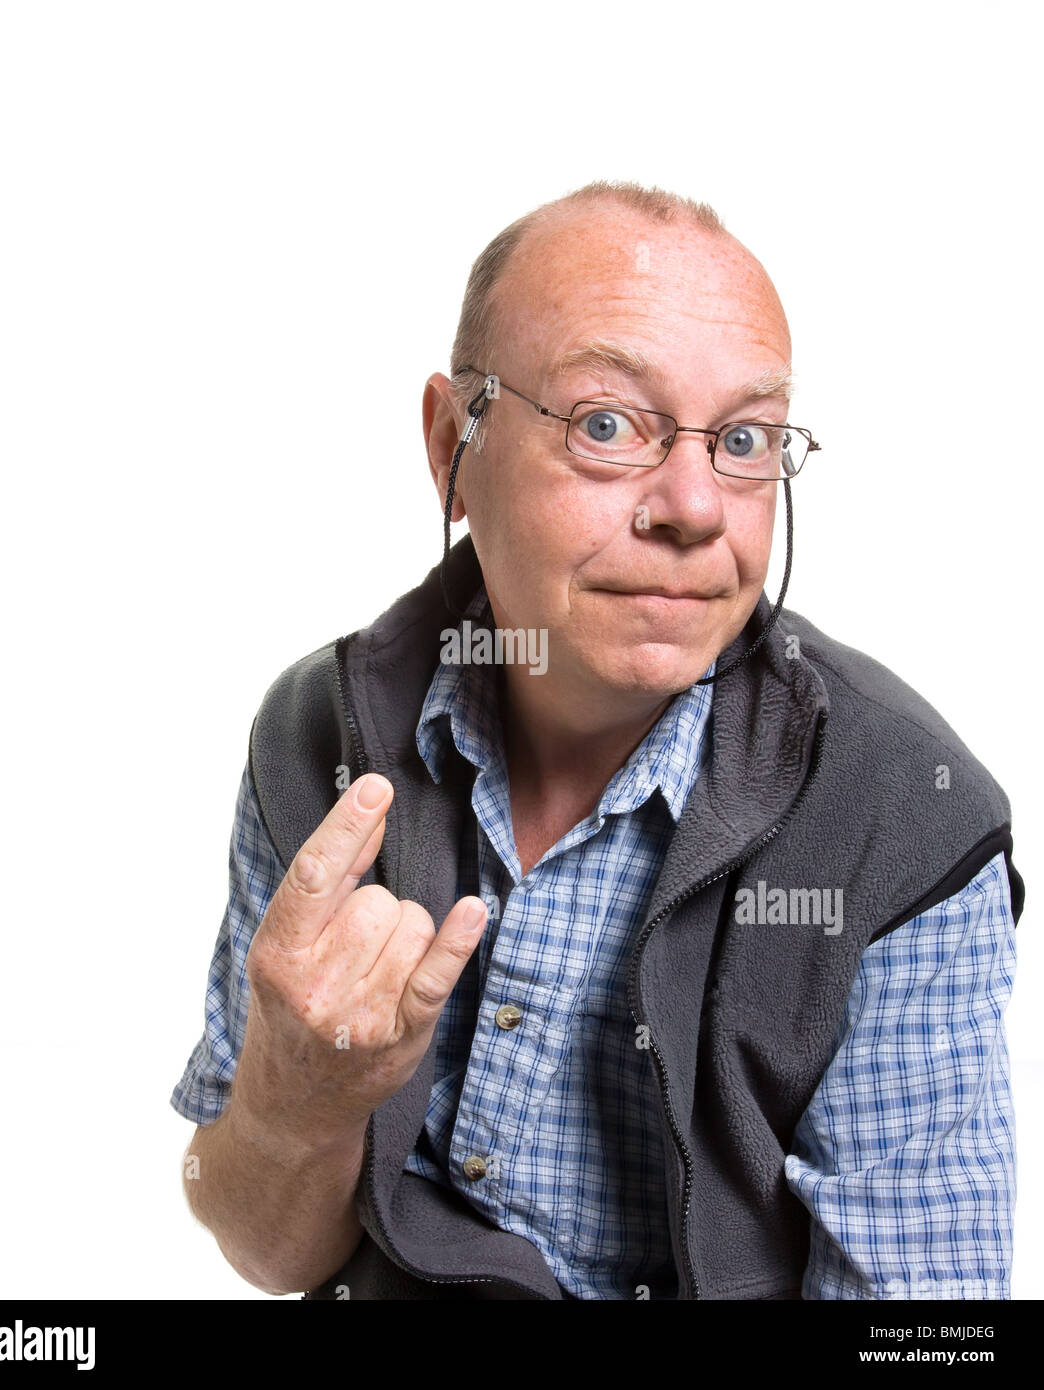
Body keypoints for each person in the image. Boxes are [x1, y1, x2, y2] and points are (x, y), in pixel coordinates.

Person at [170, 180, 1024, 1300]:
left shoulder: (902, 831)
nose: (694, 506)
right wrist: (292, 1107)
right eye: (607, 423)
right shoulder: (319, 737)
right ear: (450, 445)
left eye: (742, 438)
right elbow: (269, 1250)